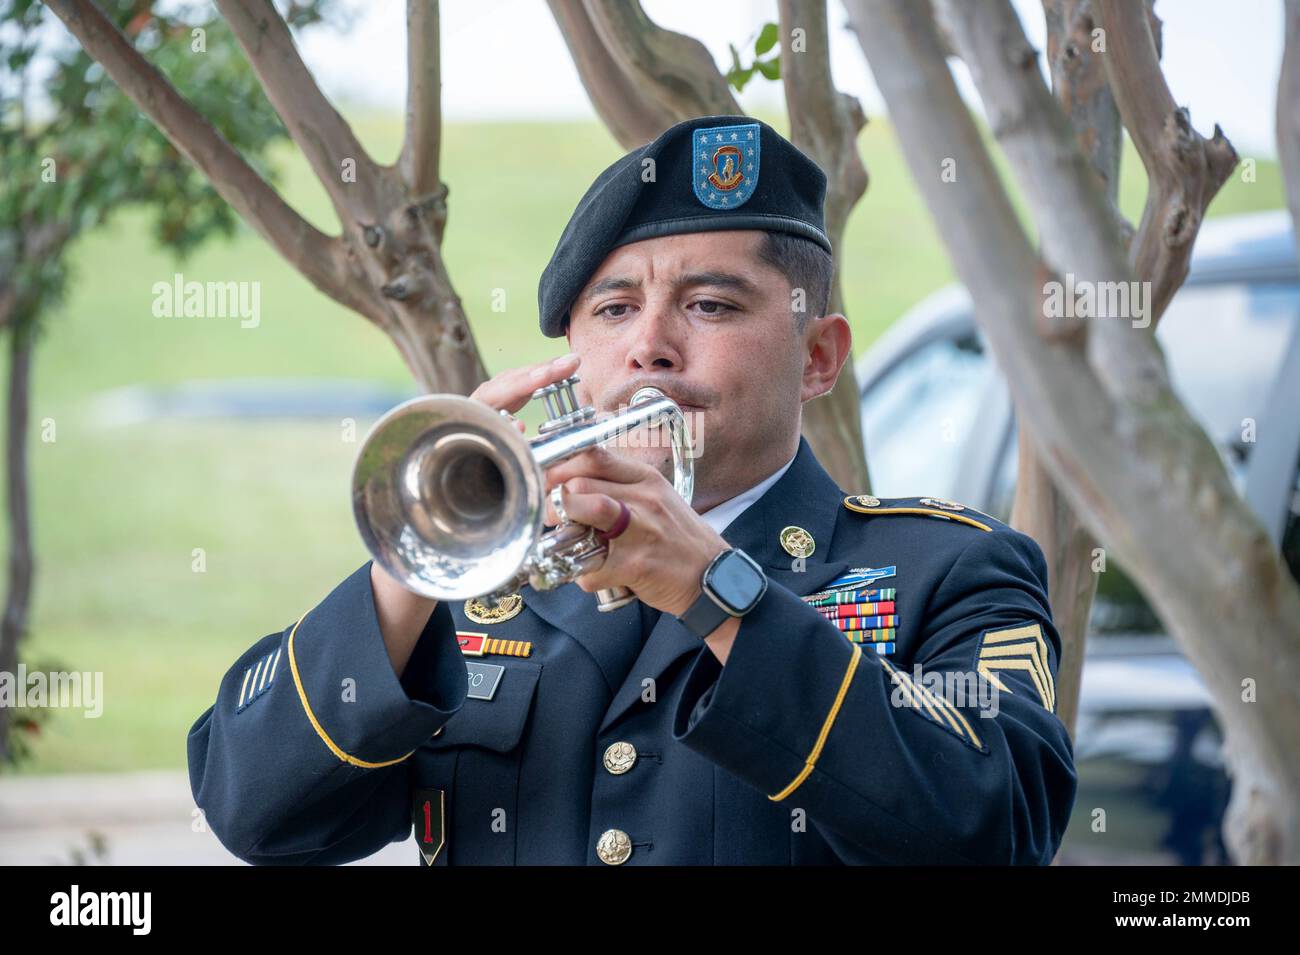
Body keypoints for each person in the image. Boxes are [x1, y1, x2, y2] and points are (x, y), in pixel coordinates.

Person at [187, 115, 1077, 865]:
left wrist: (719, 592)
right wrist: (423, 553)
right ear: (574, 351)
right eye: (613, 310)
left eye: (711, 306)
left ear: (818, 358)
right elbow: (249, 804)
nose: (650, 345)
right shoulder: (482, 587)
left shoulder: (949, 567)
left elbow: (997, 819)